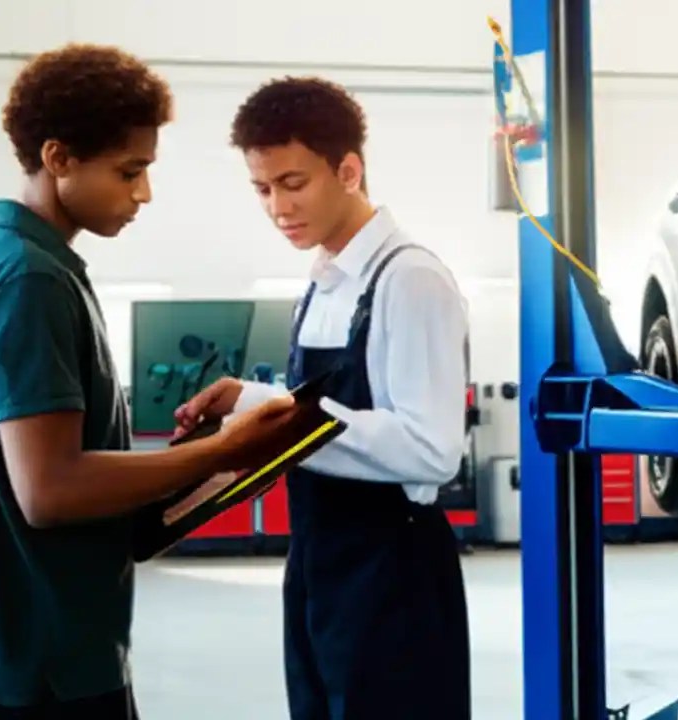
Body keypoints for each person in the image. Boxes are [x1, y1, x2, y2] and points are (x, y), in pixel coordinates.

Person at [0, 44, 303, 720]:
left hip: (51, 649)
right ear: (59, 158)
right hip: (44, 671)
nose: (143, 194)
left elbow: (74, 482)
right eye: (129, 171)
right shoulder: (30, 280)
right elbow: (49, 491)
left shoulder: (39, 268)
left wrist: (208, 468)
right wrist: (218, 453)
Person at [173, 76, 472, 719]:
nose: (278, 207)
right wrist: (251, 403)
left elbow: (433, 449)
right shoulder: (323, 285)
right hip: (318, 563)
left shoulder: (410, 279)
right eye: (262, 188)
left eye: (293, 183)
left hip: (394, 574)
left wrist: (275, 421)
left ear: (349, 169)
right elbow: (328, 412)